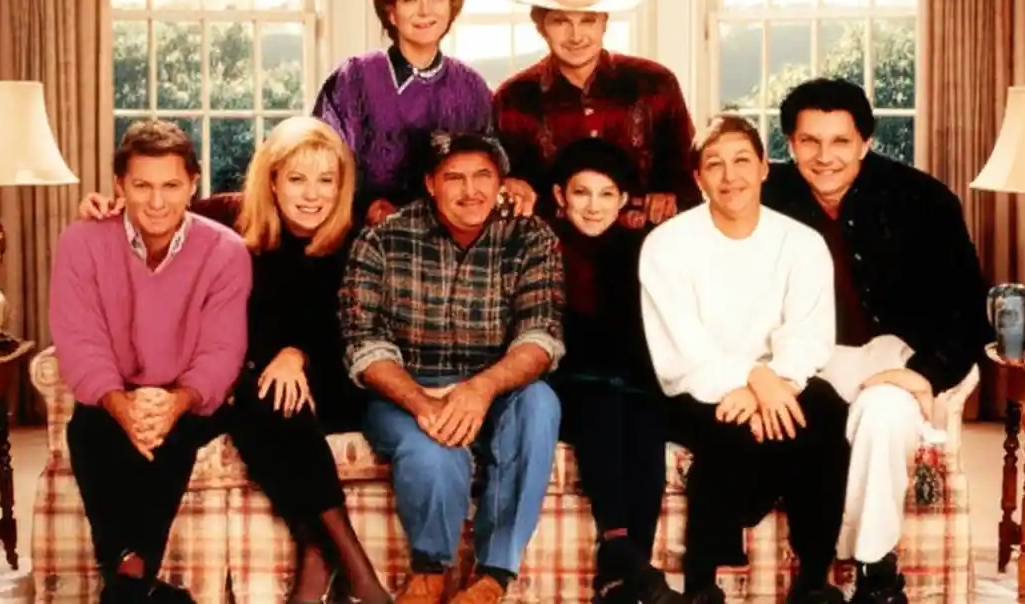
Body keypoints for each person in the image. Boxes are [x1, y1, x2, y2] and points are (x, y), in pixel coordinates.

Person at [73, 117, 391, 603]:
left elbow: (353, 332)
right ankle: (319, 554)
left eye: (327, 180)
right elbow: (160, 206)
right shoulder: (227, 220)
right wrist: (108, 206)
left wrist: (296, 354)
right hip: (240, 376)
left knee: (274, 400)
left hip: (326, 377)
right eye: (297, 179)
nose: (313, 195)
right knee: (243, 401)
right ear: (272, 180)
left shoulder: (358, 243)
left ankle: (345, 560)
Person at [762, 78, 990, 604]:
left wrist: (926, 373)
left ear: (865, 142)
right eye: (809, 142)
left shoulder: (923, 199)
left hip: (893, 356)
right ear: (790, 144)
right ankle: (820, 575)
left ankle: (874, 571)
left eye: (840, 141)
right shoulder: (765, 197)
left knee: (885, 415)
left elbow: (967, 311)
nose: (824, 157)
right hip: (800, 360)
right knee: (803, 421)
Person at [340, 131, 564, 604]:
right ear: (429, 182)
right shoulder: (382, 239)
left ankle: (493, 576)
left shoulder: (530, 236)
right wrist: (423, 403)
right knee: (433, 453)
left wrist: (480, 390)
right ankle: (430, 571)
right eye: (454, 178)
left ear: (502, 181)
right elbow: (363, 345)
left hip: (497, 388)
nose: (471, 191)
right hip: (408, 388)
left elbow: (540, 337)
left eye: (483, 176)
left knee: (541, 402)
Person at [640, 116, 849, 604]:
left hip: (783, 381)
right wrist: (752, 379)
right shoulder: (667, 245)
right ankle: (700, 582)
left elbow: (810, 331)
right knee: (725, 425)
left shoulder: (801, 242)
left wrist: (774, 383)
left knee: (825, 413)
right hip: (696, 384)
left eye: (741, 162)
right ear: (698, 178)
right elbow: (681, 343)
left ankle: (814, 581)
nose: (729, 176)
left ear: (764, 169)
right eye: (715, 165)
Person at [50, 120, 253, 603]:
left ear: (193, 184)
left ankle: (127, 583)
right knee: (90, 430)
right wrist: (124, 407)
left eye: (170, 186)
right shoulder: (82, 241)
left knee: (171, 440)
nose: (157, 201)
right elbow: (81, 342)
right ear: (119, 185)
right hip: (115, 392)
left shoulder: (226, 251)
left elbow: (222, 350)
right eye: (142, 185)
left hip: (192, 398)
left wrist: (173, 404)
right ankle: (139, 584)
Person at [544, 138, 680, 604]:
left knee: (644, 418)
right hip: (568, 383)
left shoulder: (642, 248)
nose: (594, 206)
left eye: (607, 195)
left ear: (624, 201)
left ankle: (624, 572)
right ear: (561, 196)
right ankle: (622, 549)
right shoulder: (546, 246)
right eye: (582, 193)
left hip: (632, 381)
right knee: (602, 405)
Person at [313, 0, 535, 225]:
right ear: (391, 12)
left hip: (452, 240)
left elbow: (490, 167)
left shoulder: (470, 87)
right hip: (363, 234)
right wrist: (366, 207)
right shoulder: (355, 77)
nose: (424, 11)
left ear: (451, 8)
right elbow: (322, 165)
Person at [494, 0, 698, 225]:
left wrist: (668, 197)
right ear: (541, 26)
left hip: (645, 250)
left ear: (604, 22)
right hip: (551, 256)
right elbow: (505, 192)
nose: (576, 36)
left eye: (587, 20)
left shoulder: (655, 85)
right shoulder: (513, 99)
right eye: (561, 21)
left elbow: (687, 181)